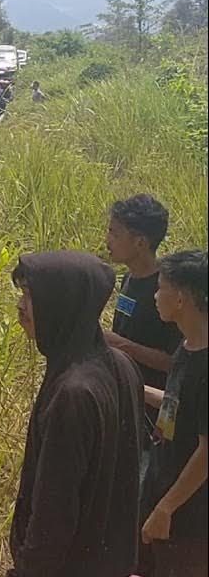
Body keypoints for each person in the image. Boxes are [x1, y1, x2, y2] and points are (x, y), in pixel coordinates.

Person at [8, 251, 144, 577]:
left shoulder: (73, 393)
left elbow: (55, 512)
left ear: (61, 303)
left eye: (31, 295)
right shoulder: (121, 366)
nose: (21, 305)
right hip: (110, 560)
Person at [140, 249, 207, 576]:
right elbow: (177, 404)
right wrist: (133, 390)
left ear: (180, 298)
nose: (155, 295)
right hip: (164, 488)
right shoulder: (187, 345)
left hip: (190, 515)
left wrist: (166, 508)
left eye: (161, 287)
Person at [105, 195, 182, 458]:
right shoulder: (128, 277)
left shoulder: (168, 293)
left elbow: (173, 362)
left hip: (151, 413)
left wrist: (119, 344)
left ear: (140, 243)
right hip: (124, 395)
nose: (107, 240)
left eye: (115, 233)